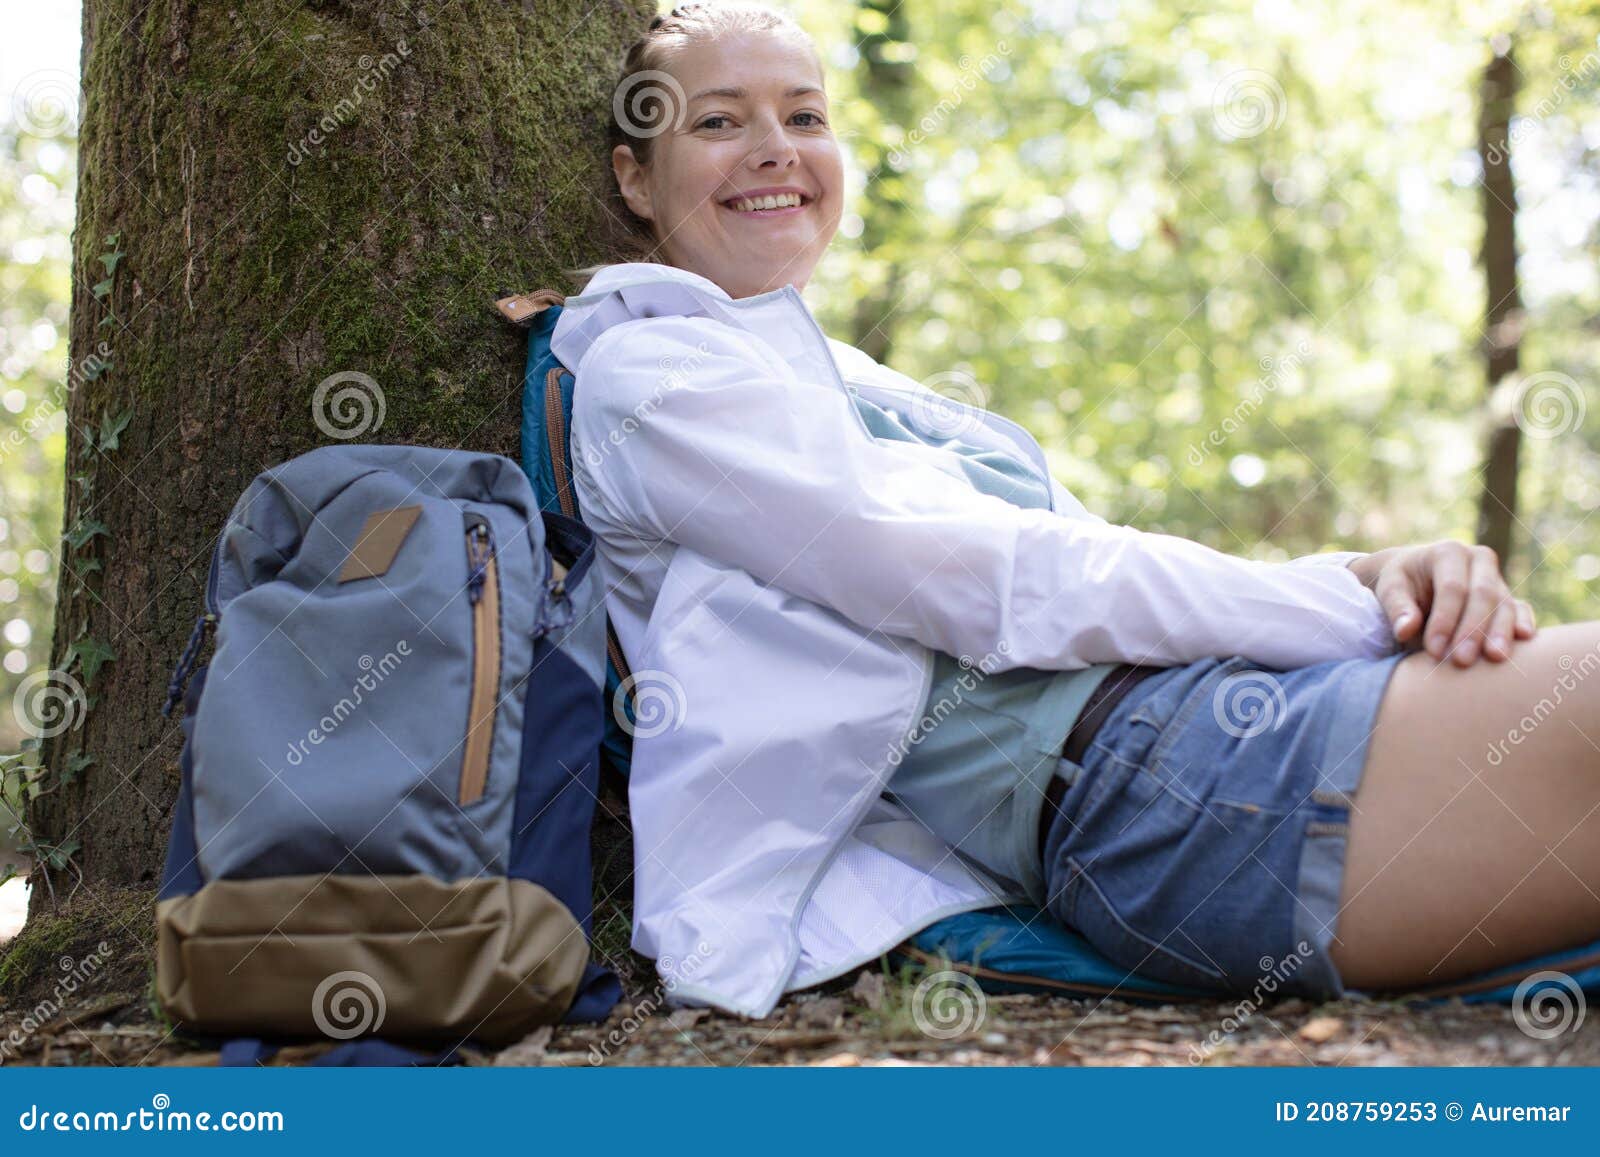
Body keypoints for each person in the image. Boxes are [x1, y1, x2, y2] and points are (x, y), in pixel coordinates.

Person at [549, 2, 1598, 1018]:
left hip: (1206, 733)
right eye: (720, 120)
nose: (776, 147)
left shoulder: (856, 384)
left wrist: (1372, 570)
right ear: (635, 178)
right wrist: (1346, 611)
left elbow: (1094, 561)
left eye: (806, 115)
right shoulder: (654, 373)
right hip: (1164, 786)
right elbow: (991, 580)